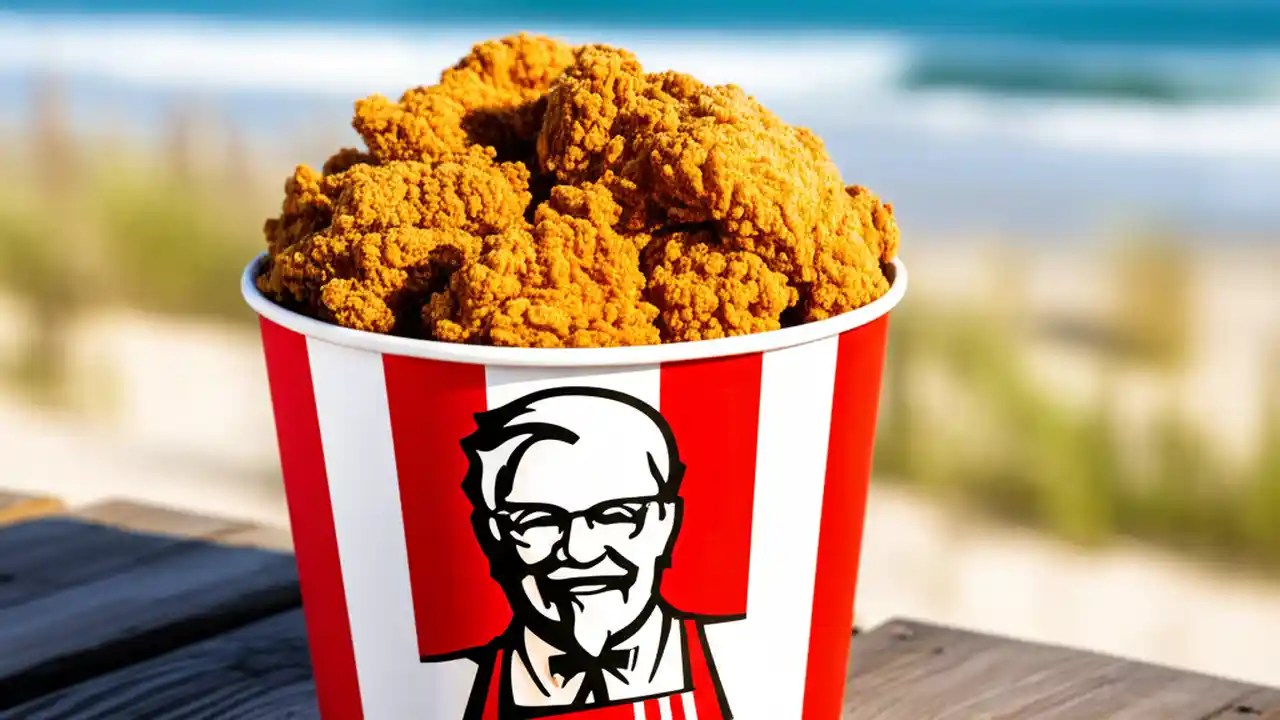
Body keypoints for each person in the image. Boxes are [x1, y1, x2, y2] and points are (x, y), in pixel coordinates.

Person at [451, 386, 729, 719]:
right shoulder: (453, 682)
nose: (580, 551)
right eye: (540, 519)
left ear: (665, 522)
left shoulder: (740, 653)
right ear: (497, 535)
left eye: (616, 515)